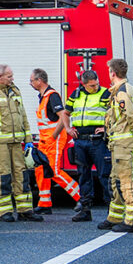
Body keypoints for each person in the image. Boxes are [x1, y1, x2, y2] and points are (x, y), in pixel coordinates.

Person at [0, 65, 43, 222]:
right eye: (9, 76)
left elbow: (23, 116)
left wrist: (28, 140)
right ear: (0, 77)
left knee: (21, 176)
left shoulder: (15, 91)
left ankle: (25, 210)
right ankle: (5, 211)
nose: (12, 79)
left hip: (17, 143)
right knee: (2, 177)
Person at [97, 58, 133, 233]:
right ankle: (119, 217)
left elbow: (132, 117)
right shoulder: (127, 90)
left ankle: (132, 222)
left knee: (126, 182)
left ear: (112, 72)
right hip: (121, 145)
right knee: (118, 180)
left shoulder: (121, 92)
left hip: (125, 145)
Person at [29, 68, 82, 213]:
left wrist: (54, 136)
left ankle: (81, 198)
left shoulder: (52, 96)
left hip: (54, 138)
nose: (30, 83)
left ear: (39, 81)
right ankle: (44, 203)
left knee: (54, 171)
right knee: (41, 169)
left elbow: (63, 116)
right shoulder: (44, 96)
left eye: (32, 80)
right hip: (45, 139)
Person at [65, 70, 111, 222]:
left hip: (98, 141)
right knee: (83, 175)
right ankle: (85, 210)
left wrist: (106, 128)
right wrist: (68, 128)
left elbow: (116, 113)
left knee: (105, 175)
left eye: (97, 83)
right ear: (84, 84)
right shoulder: (76, 94)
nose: (96, 87)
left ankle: (112, 212)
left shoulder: (106, 94)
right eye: (92, 85)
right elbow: (66, 113)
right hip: (81, 140)